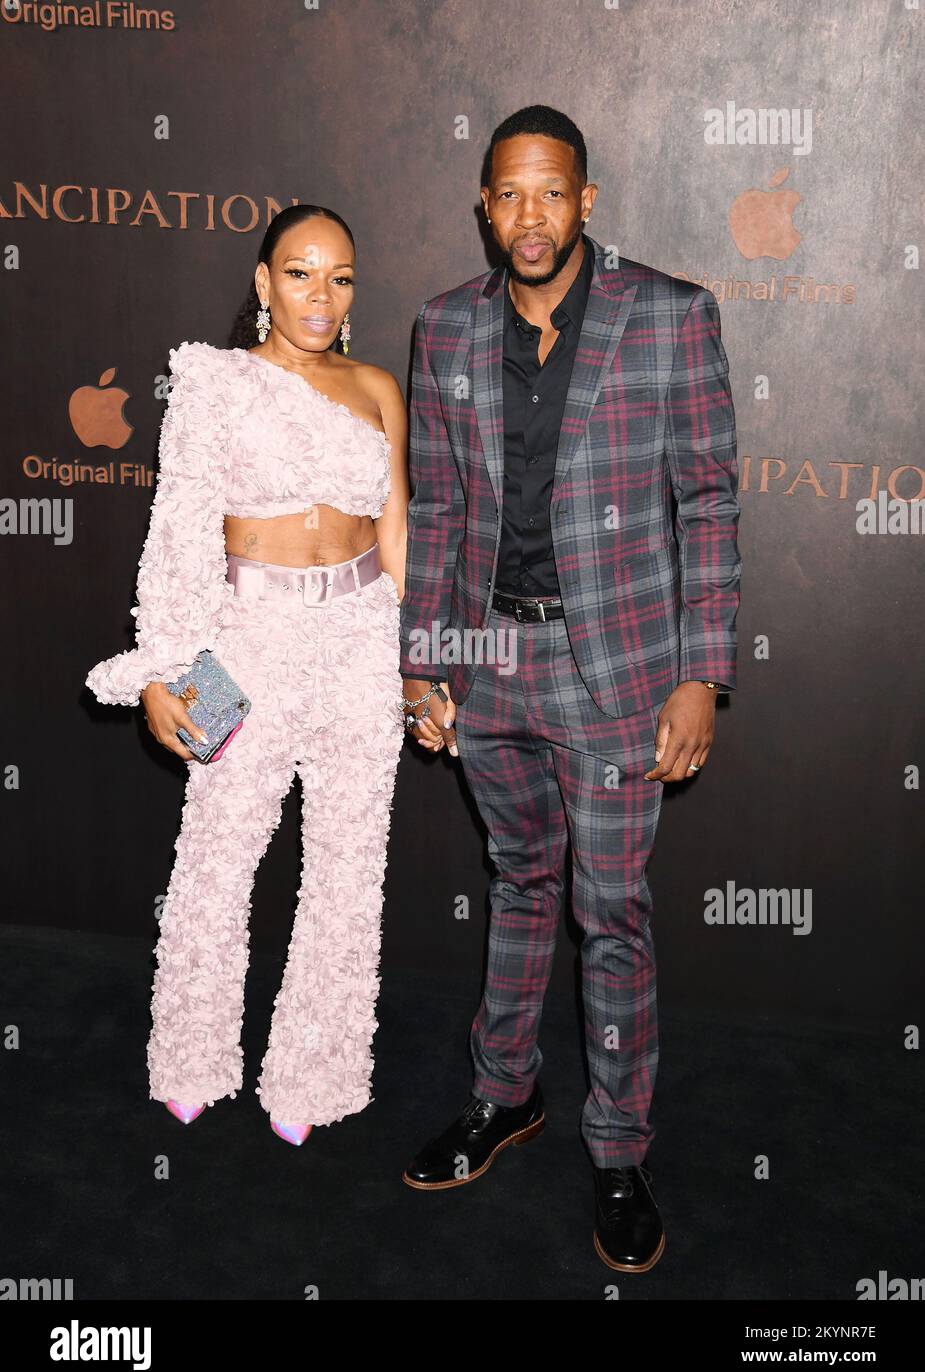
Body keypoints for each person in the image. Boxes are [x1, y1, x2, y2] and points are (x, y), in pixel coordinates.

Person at [398, 106, 741, 1271]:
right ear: (483, 206)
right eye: (508, 194)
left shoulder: (668, 315)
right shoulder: (443, 328)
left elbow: (707, 502)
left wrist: (699, 671)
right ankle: (505, 1095)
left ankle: (615, 1148)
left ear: (585, 200)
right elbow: (437, 511)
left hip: (616, 670)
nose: (529, 216)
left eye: (551, 193)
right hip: (490, 660)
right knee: (517, 884)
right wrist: (423, 659)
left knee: (612, 914)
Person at [86, 205, 408, 1146]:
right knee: (217, 855)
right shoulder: (217, 385)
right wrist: (162, 672)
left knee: (351, 867)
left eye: (341, 277)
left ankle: (313, 1078)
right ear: (263, 282)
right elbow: (179, 535)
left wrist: (421, 666)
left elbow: (397, 540)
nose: (321, 294)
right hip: (244, 639)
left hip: (359, 636)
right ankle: (190, 1058)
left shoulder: (380, 387)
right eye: (301, 273)